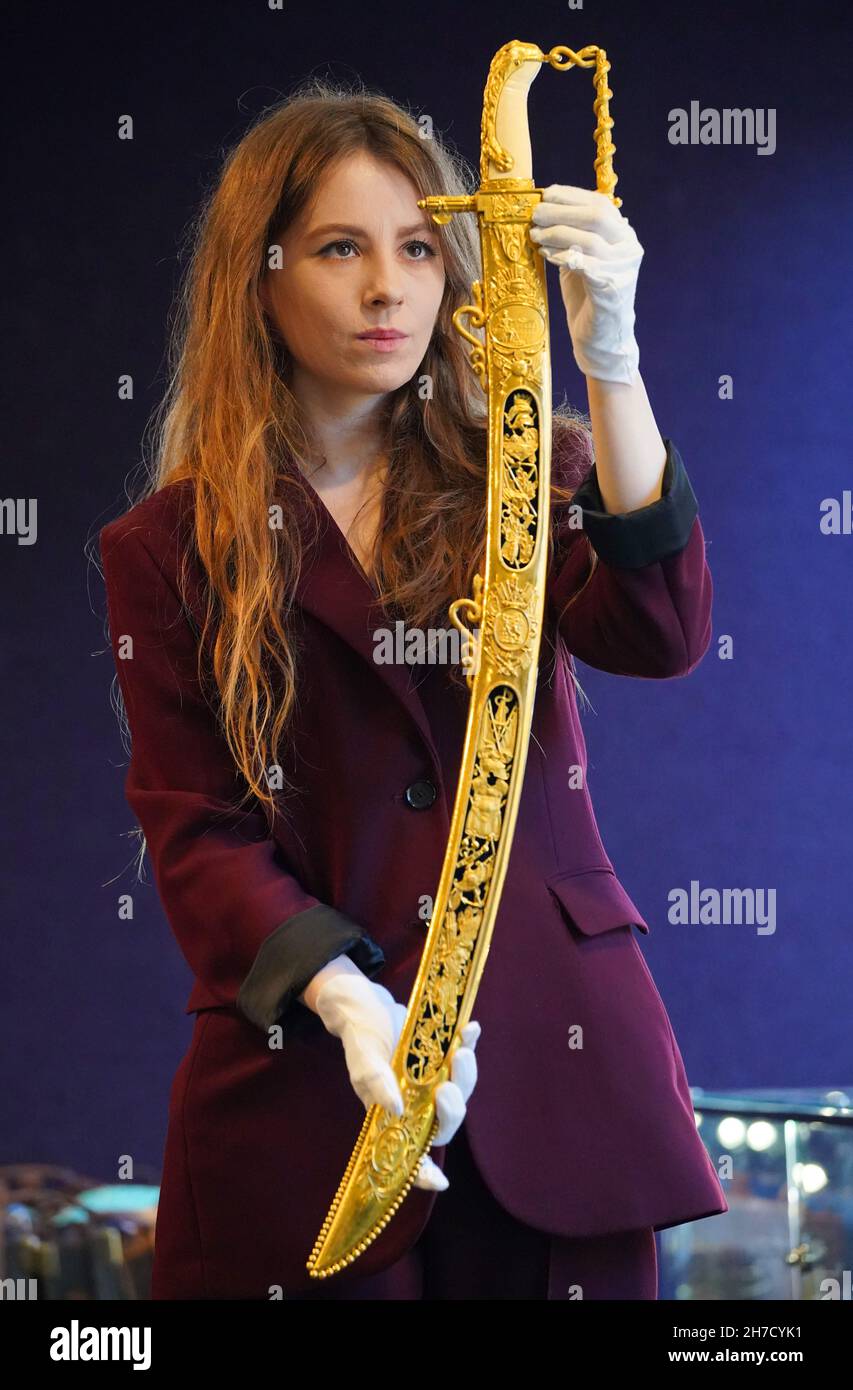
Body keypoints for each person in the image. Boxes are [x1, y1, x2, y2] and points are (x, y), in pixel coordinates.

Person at [99, 79, 728, 1301]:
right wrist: (347, 1001)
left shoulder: (525, 474)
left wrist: (613, 359)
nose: (389, 287)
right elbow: (196, 825)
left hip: (557, 1058)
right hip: (306, 1088)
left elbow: (660, 632)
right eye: (340, 248)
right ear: (260, 274)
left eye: (418, 248)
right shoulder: (166, 547)